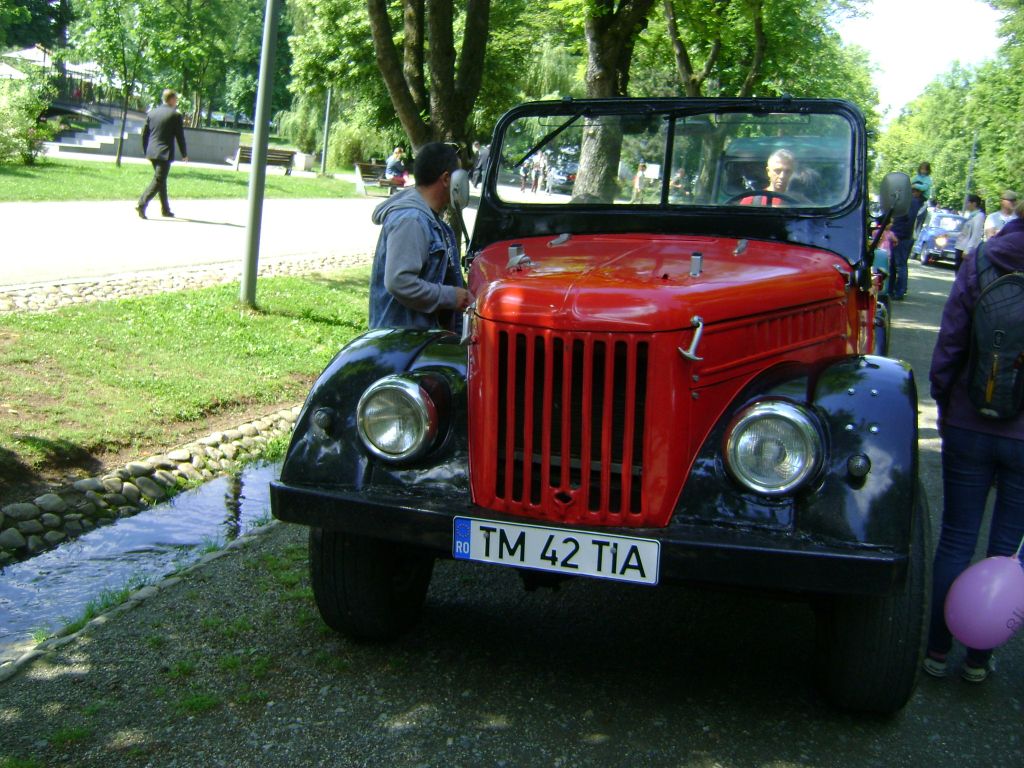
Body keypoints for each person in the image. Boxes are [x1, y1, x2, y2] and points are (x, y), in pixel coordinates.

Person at [925, 199, 1024, 684]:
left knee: (956, 537)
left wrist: (943, 399)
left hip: (969, 419)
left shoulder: (982, 259)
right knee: (1008, 548)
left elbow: (951, 342)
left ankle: (937, 649)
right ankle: (979, 655)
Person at [368, 142, 473, 330]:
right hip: (403, 344)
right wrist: (450, 296)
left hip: (418, 340)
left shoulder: (431, 220)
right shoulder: (412, 220)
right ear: (447, 179)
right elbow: (400, 282)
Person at [136, 89, 188, 219]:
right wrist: (184, 153)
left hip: (152, 151)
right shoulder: (175, 115)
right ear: (171, 99)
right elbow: (180, 136)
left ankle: (165, 209)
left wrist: (146, 150)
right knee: (159, 180)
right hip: (164, 152)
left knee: (161, 180)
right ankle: (142, 204)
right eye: (176, 99)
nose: (176, 102)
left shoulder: (152, 113)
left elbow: (144, 134)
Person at [888, 184, 927, 299]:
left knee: (900, 265)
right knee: (895, 265)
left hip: (901, 237)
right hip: (900, 236)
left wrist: (897, 235)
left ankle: (899, 291)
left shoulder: (912, 203)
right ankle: (892, 289)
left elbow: (908, 222)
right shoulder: (913, 202)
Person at [954, 194, 985, 271]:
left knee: (961, 272)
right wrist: (948, 234)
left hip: (965, 249)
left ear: (974, 204)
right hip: (960, 246)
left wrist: (967, 250)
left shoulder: (979, 216)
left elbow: (975, 235)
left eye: (968, 203)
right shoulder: (971, 215)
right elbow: (965, 233)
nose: (966, 205)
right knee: (957, 272)